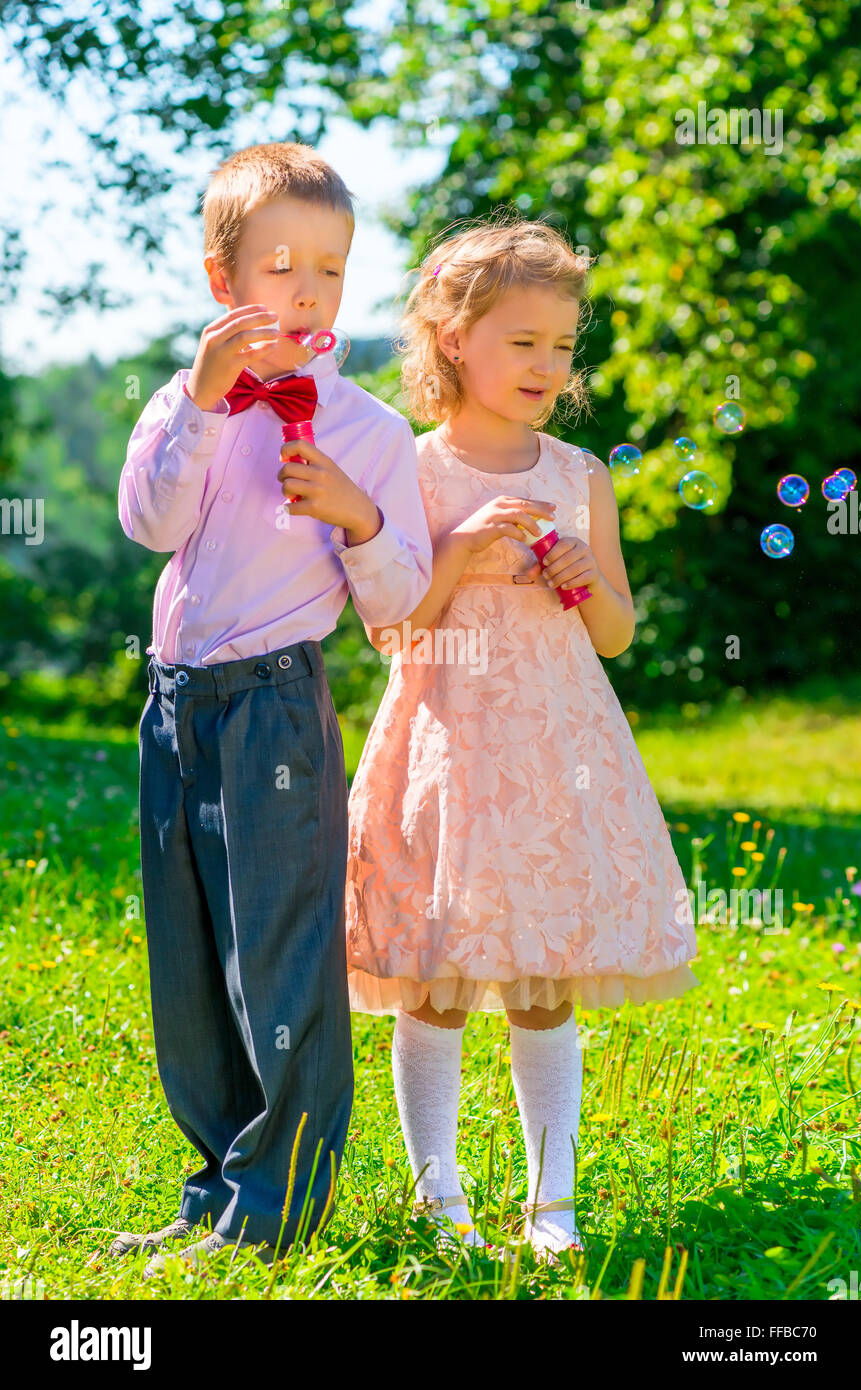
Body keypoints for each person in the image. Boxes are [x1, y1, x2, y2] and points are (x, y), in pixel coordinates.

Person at [344, 218, 699, 1258]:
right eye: (524, 341)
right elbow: (392, 625)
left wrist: (582, 581)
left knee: (542, 978)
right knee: (440, 975)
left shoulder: (579, 474)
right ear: (454, 337)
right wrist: (452, 549)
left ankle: (553, 1204)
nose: (549, 364)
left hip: (555, 752)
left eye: (562, 344)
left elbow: (620, 633)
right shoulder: (412, 471)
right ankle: (438, 1194)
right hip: (447, 746)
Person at [111, 142, 432, 1278]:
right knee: (190, 955)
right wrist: (198, 407)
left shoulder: (369, 434)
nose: (307, 293)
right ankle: (218, 1182)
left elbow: (401, 603)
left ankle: (279, 1204)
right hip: (176, 707)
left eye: (332, 272)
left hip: (275, 712)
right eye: (282, 267)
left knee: (279, 952)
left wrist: (356, 517)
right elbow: (151, 522)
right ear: (222, 279)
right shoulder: (182, 398)